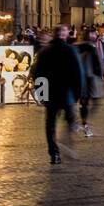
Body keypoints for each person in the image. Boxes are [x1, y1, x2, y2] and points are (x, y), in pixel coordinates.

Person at [31, 24, 85, 164]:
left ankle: (54, 154)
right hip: (67, 94)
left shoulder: (45, 52)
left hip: (50, 94)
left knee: (50, 125)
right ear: (66, 34)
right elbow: (78, 73)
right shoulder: (71, 50)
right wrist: (79, 93)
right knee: (71, 121)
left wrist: (41, 95)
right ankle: (66, 141)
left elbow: (38, 75)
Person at [74, 30, 104, 137]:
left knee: (84, 103)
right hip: (90, 78)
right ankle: (85, 124)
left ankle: (84, 122)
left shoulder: (78, 47)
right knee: (92, 102)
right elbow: (99, 62)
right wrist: (101, 73)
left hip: (82, 78)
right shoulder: (92, 48)